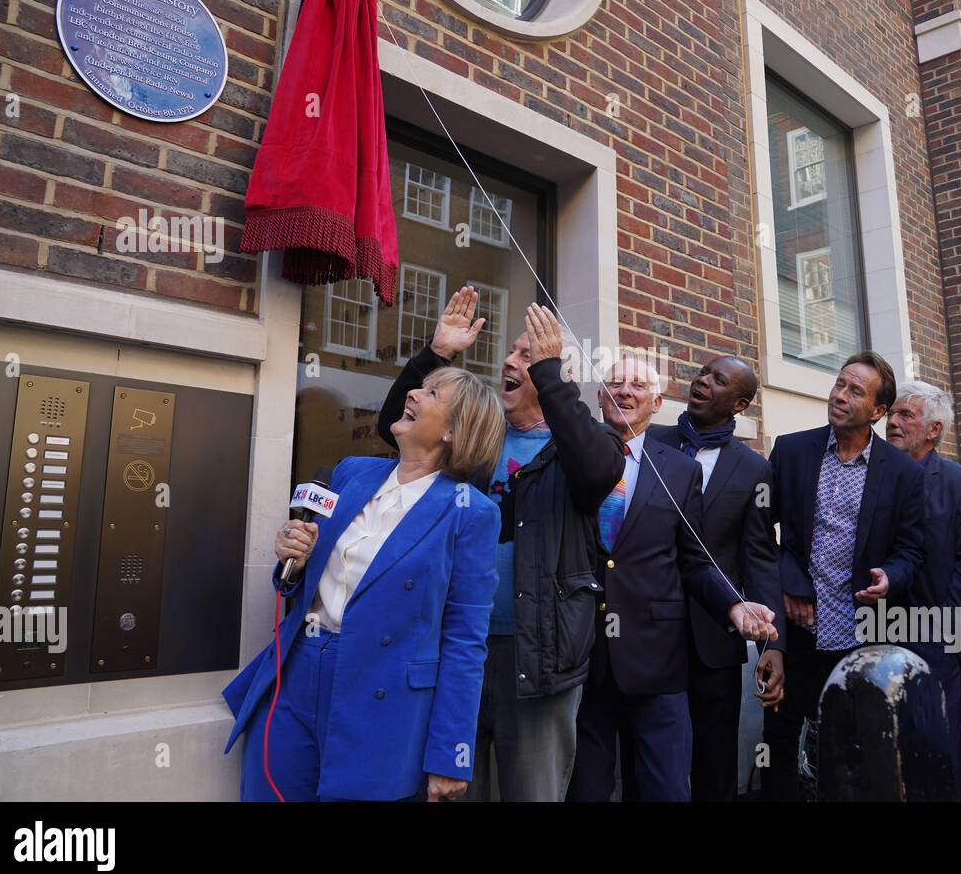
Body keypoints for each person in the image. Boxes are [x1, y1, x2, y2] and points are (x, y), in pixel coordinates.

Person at [375, 289, 625, 802]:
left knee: (530, 791)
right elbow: (395, 429)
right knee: (450, 789)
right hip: (453, 646)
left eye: (527, 355)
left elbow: (599, 471)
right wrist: (437, 356)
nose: (510, 361)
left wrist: (551, 371)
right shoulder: (481, 432)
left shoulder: (584, 444)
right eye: (511, 352)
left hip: (538, 651)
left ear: (557, 374)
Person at [222, 366, 506, 801]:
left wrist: (451, 754)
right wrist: (294, 559)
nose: (413, 393)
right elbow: (298, 583)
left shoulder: (471, 513)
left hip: (384, 695)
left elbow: (465, 641)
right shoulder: (353, 473)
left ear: (454, 430)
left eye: (431, 393)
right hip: (297, 670)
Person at [566, 358, 779, 802]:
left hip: (708, 635)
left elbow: (753, 556)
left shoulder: (752, 468)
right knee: (616, 769)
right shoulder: (642, 441)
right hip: (624, 632)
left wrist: (759, 632)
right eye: (703, 373)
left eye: (719, 380)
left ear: (739, 404)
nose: (703, 381)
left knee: (705, 766)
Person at [763, 351, 925, 802]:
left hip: (861, 632)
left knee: (851, 745)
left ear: (877, 411)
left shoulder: (903, 473)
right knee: (778, 738)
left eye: (856, 390)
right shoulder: (792, 450)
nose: (840, 395)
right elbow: (761, 534)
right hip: (797, 629)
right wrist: (788, 581)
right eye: (840, 383)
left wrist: (890, 579)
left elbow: (911, 551)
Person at [886, 379, 961, 801]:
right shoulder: (874, 475)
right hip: (876, 628)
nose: (892, 422)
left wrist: (948, 634)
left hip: (935, 633)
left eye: (904, 415)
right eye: (891, 414)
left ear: (933, 429)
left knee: (941, 745)